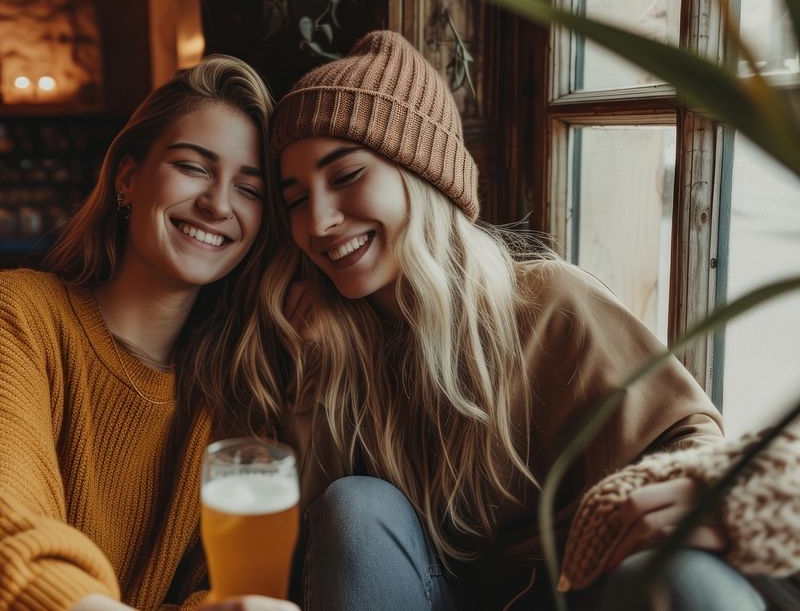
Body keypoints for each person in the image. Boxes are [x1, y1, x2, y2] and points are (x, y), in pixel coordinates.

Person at [248, 30, 766, 610]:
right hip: (435, 596)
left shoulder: (550, 305)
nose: (317, 221)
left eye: (345, 176)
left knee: (687, 579)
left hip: (587, 591)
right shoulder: (329, 342)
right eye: (295, 198)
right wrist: (314, 374)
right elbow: (320, 553)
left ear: (421, 178)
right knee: (354, 508)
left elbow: (690, 439)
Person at [0, 55, 297, 611]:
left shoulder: (236, 387)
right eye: (194, 167)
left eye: (250, 189)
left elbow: (212, 594)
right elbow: (1, 519)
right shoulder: (13, 312)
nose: (218, 203)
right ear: (128, 176)